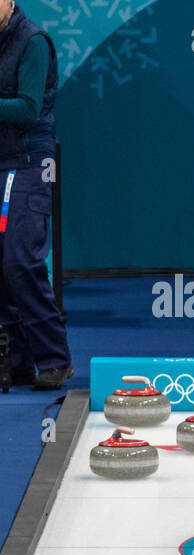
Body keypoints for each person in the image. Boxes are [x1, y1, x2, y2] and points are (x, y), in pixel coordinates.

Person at [0, 0, 70, 390]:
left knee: (20, 261)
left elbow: (28, 108)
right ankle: (17, 361)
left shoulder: (33, 41)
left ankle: (55, 359)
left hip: (27, 163)